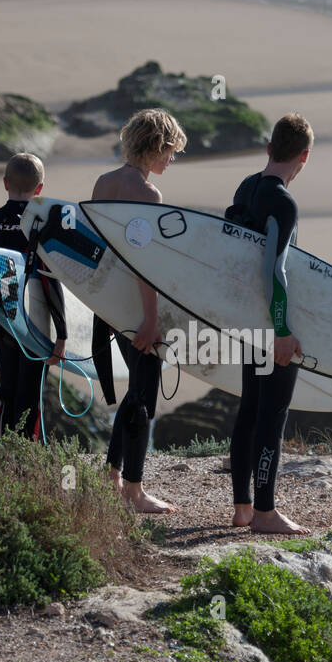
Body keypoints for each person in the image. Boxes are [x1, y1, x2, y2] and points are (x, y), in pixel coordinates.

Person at [92, 108, 186, 513]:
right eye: (169, 151)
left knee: (134, 391)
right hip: (135, 309)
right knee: (145, 394)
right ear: (153, 146)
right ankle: (134, 490)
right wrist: (150, 320)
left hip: (106, 305)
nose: (171, 159)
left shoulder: (104, 182)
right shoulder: (148, 196)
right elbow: (142, 265)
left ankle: (111, 473)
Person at [225, 113, 314, 535]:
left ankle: (243, 507)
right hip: (269, 324)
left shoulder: (246, 188)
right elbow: (274, 271)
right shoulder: (284, 202)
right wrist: (281, 331)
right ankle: (265, 511)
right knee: (272, 416)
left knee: (248, 411)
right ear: (304, 156)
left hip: (243, 320)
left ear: (268, 149)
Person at [0, 153, 67, 440]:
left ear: (5, 183)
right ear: (40, 188)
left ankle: (3, 457)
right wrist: (62, 335)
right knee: (29, 394)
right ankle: (27, 461)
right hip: (35, 319)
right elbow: (49, 279)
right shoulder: (41, 225)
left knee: (7, 392)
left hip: (2, 316)